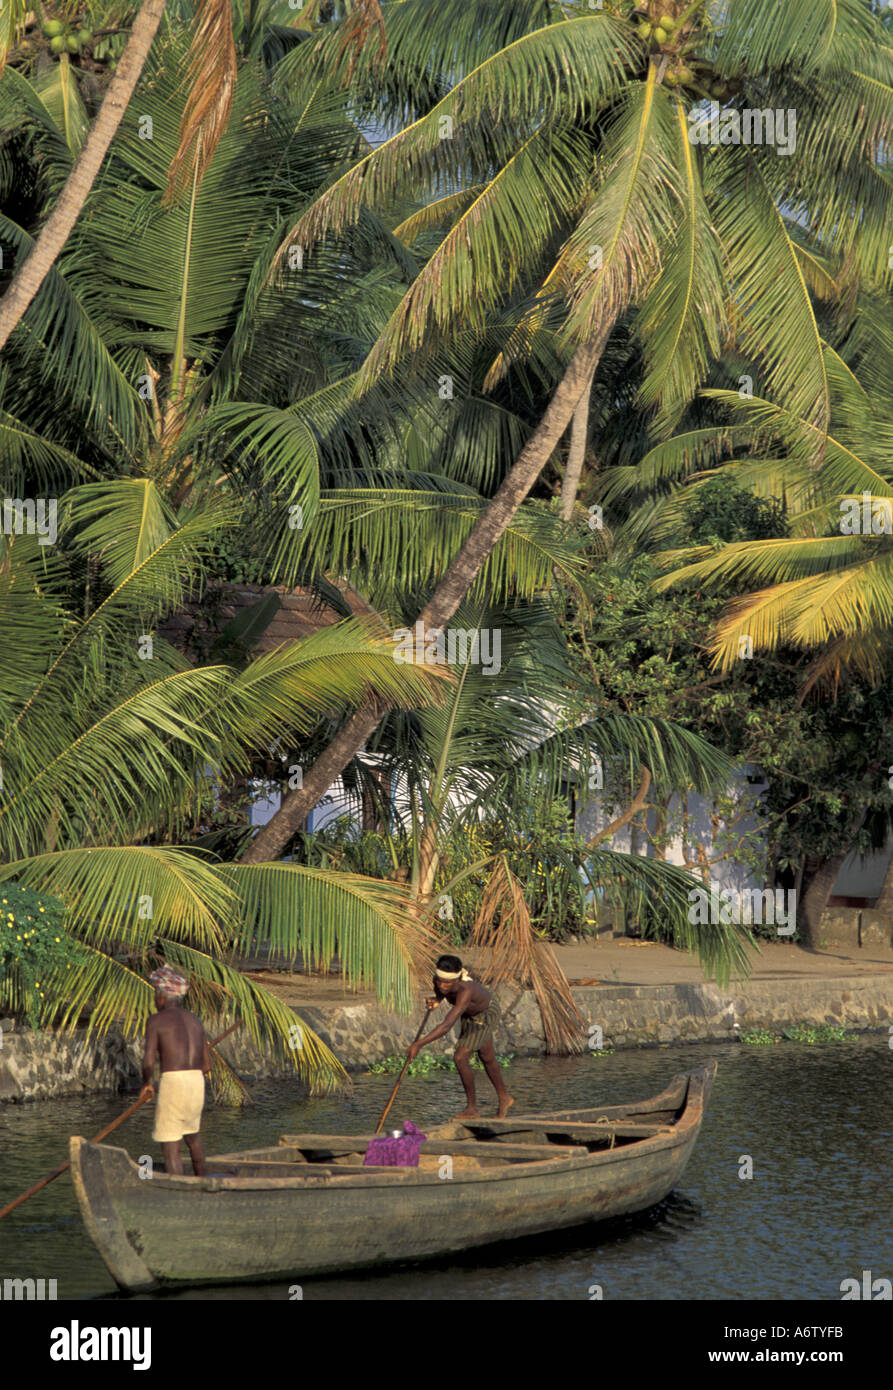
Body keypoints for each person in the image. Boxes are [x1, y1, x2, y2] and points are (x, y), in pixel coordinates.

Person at [407, 954, 514, 1119]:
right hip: (469, 1014)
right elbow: (441, 991)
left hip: (485, 1014)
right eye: (439, 981)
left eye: (447, 983)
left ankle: (472, 1108)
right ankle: (504, 1097)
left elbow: (446, 1026)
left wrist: (418, 1045)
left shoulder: (466, 990)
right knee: (487, 1056)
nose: (442, 985)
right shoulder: (438, 980)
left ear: (457, 980)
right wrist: (437, 999)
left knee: (460, 1057)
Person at [138, 965, 212, 1176]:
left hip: (174, 1082)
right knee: (192, 1137)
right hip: (197, 1082)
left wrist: (146, 1083)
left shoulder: (156, 1021)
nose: (154, 1000)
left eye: (155, 995)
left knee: (171, 1147)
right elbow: (207, 1066)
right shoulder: (195, 1020)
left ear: (162, 995)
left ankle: (180, 1194)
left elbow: (148, 1061)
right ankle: (202, 1182)